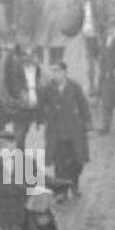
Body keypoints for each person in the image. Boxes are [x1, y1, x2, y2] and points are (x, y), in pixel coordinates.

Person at [42, 60, 91, 200]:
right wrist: (43, 116)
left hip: (74, 131)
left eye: (58, 71)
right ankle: (61, 192)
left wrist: (87, 122)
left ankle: (74, 186)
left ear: (65, 72)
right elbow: (41, 106)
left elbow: (83, 105)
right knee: (59, 163)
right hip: (56, 133)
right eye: (53, 72)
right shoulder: (48, 89)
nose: (55, 75)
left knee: (77, 162)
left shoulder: (74, 87)